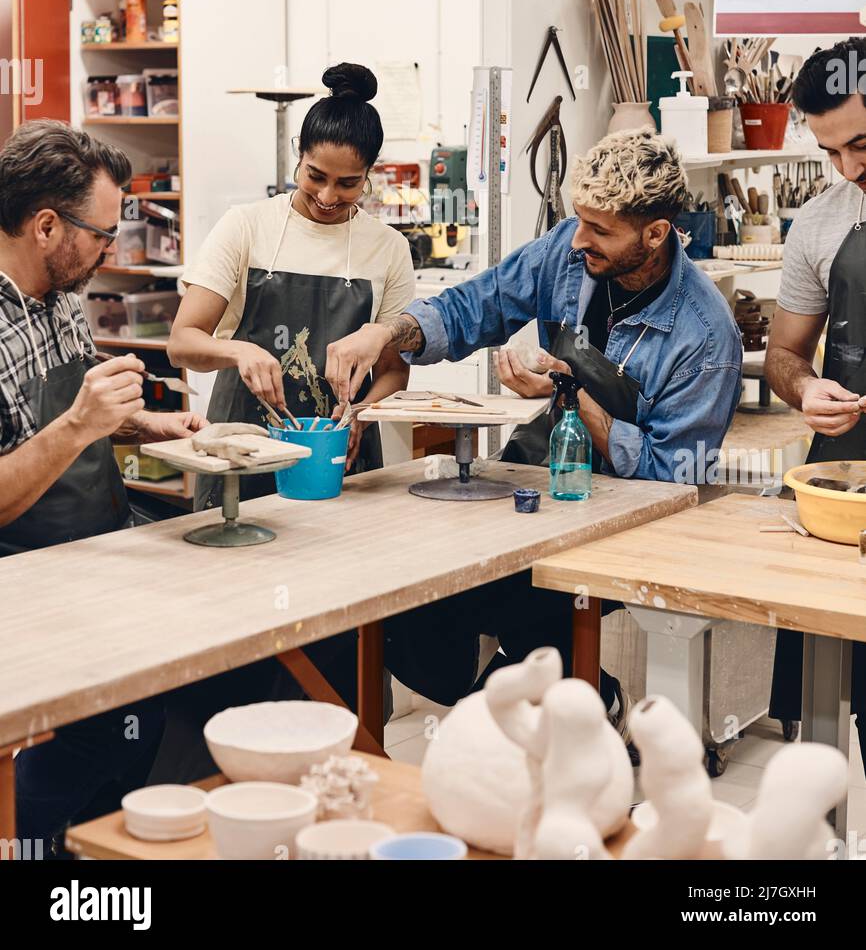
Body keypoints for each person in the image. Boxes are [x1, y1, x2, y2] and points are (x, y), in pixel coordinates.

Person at [325, 131, 743, 709]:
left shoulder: (705, 334)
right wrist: (386, 333)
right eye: (579, 220)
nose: (579, 239)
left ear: (655, 232)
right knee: (418, 577)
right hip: (544, 467)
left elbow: (673, 475)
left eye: (600, 229)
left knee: (516, 603)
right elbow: (474, 306)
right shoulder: (566, 255)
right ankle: (555, 693)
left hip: (632, 511)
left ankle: (558, 696)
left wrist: (571, 395)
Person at [0, 121, 206, 851]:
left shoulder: (59, 292)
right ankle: (34, 838)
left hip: (93, 548)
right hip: (26, 579)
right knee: (106, 730)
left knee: (173, 695)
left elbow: (75, 427)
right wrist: (82, 423)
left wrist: (146, 425)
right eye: (101, 234)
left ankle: (92, 843)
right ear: (46, 225)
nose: (109, 251)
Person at [169, 62, 415, 492]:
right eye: (315, 176)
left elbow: (393, 370)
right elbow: (182, 343)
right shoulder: (245, 226)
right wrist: (240, 352)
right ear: (299, 152)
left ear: (370, 175)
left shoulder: (388, 248)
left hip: (340, 456)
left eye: (348, 184)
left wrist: (362, 412)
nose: (326, 196)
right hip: (244, 455)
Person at [765, 37, 866, 757]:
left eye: (862, 143)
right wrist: (805, 391)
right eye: (833, 153)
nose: (851, 168)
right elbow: (784, 355)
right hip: (850, 483)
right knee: (848, 691)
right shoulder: (824, 221)